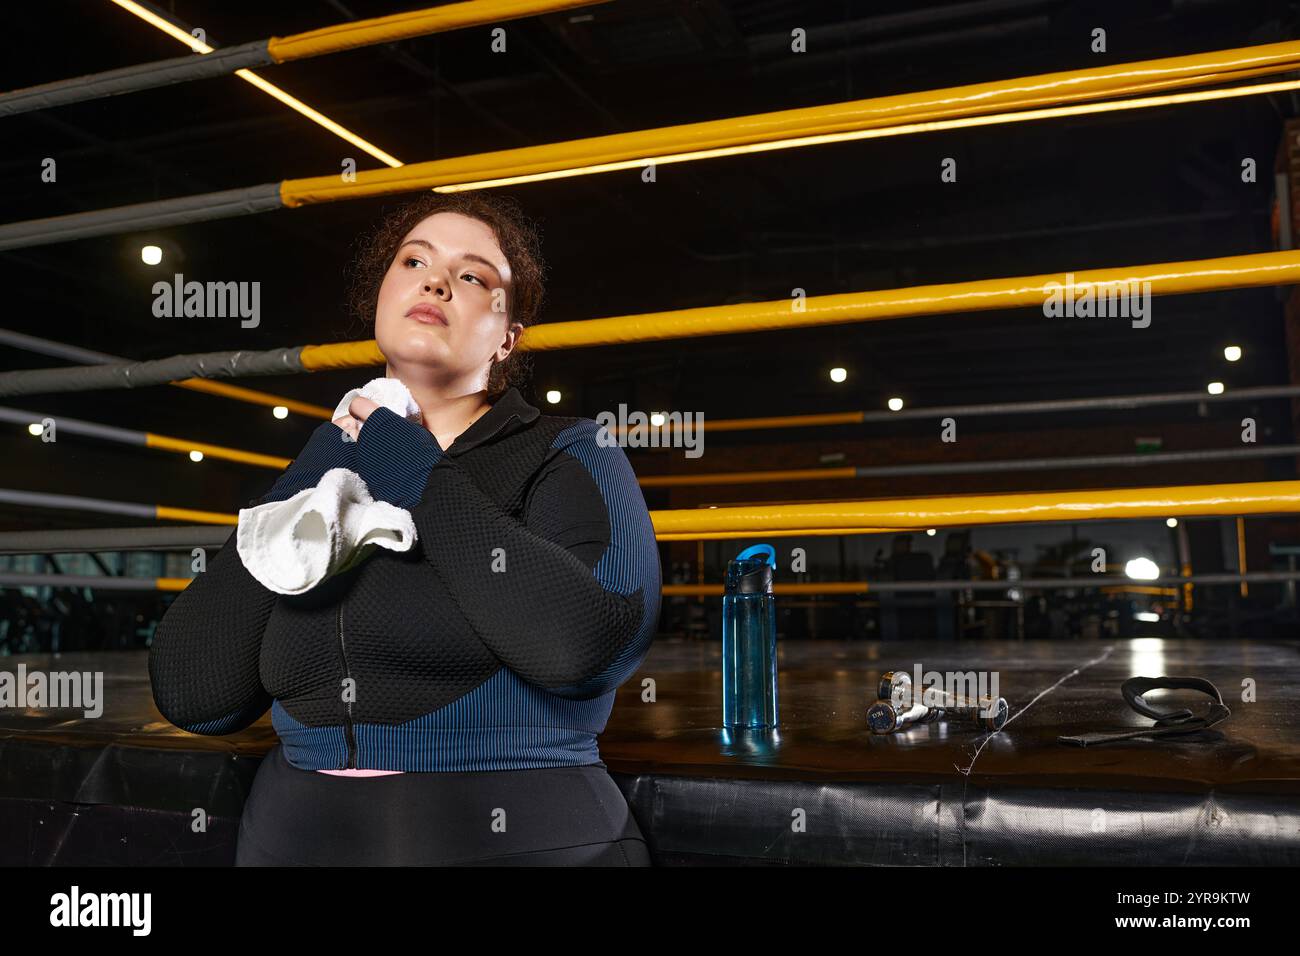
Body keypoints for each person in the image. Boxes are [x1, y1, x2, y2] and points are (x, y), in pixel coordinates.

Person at [148, 192, 661, 866]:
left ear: (508, 336)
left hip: (517, 831)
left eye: (473, 276)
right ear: (381, 297)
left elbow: (588, 647)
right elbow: (194, 692)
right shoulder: (324, 477)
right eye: (413, 260)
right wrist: (330, 456)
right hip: (292, 834)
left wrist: (412, 468)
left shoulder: (571, 453)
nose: (436, 279)